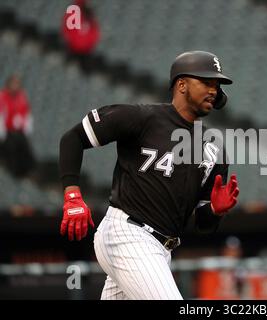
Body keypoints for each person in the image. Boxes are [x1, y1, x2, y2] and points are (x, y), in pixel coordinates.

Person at [59, 51, 240, 300]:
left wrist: (215, 212)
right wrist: (72, 195)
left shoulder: (214, 146)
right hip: (128, 234)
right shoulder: (143, 118)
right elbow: (74, 138)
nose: (214, 90)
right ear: (182, 84)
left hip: (161, 249)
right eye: (207, 82)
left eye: (217, 85)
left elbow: (202, 224)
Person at [0, 74, 35, 178]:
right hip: (7, 132)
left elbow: (26, 113)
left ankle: (25, 173)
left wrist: (26, 127)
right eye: (13, 83)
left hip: (19, 132)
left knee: (26, 150)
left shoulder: (22, 96)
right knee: (12, 148)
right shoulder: (2, 97)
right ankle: (13, 173)